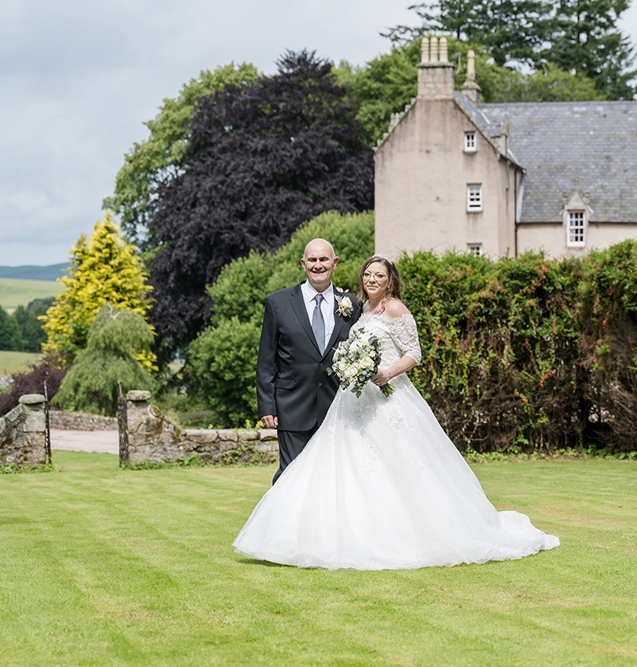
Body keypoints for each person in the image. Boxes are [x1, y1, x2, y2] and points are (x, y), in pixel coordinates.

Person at [235, 254, 559, 570]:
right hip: (352, 400)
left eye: (379, 275)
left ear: (390, 280)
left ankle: (407, 533)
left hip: (387, 399)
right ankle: (329, 533)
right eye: (367, 274)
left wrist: (388, 373)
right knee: (343, 466)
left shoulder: (395, 308)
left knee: (397, 467)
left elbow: (414, 352)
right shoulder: (358, 308)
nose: (372, 280)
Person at [256, 238, 361, 484]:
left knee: (332, 478)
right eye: (312, 260)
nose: (318, 265)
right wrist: (267, 405)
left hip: (337, 409)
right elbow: (266, 360)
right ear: (303, 264)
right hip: (292, 406)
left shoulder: (352, 306)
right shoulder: (278, 303)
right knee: (291, 477)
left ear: (334, 262)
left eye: (323, 259)